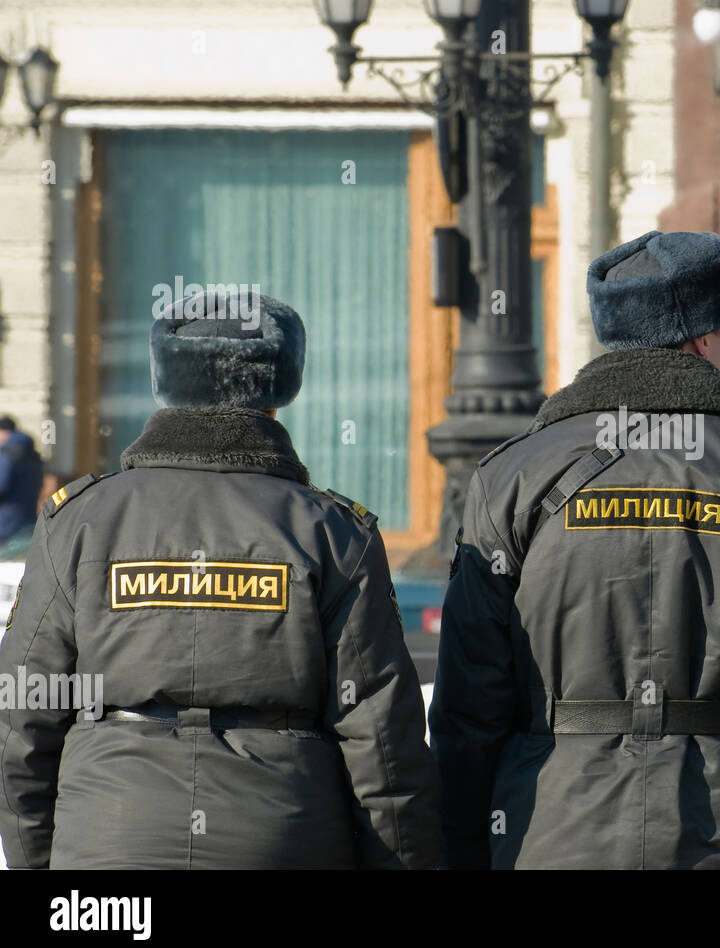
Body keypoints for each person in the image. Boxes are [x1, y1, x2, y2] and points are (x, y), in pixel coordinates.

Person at [431, 230, 720, 869]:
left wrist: (467, 851)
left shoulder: (512, 477)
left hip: (549, 833)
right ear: (702, 340)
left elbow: (468, 711)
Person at [0, 289, 437, 869]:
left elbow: (23, 721)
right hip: (282, 837)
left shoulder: (79, 519)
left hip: (108, 841)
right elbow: (381, 743)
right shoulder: (330, 531)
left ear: (165, 382)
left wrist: (43, 863)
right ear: (278, 393)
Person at [0, 416, 44, 545]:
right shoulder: (32, 454)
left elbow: (2, 486)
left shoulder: (8, 454)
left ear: (3, 432)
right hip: (28, 518)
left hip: (6, 522)